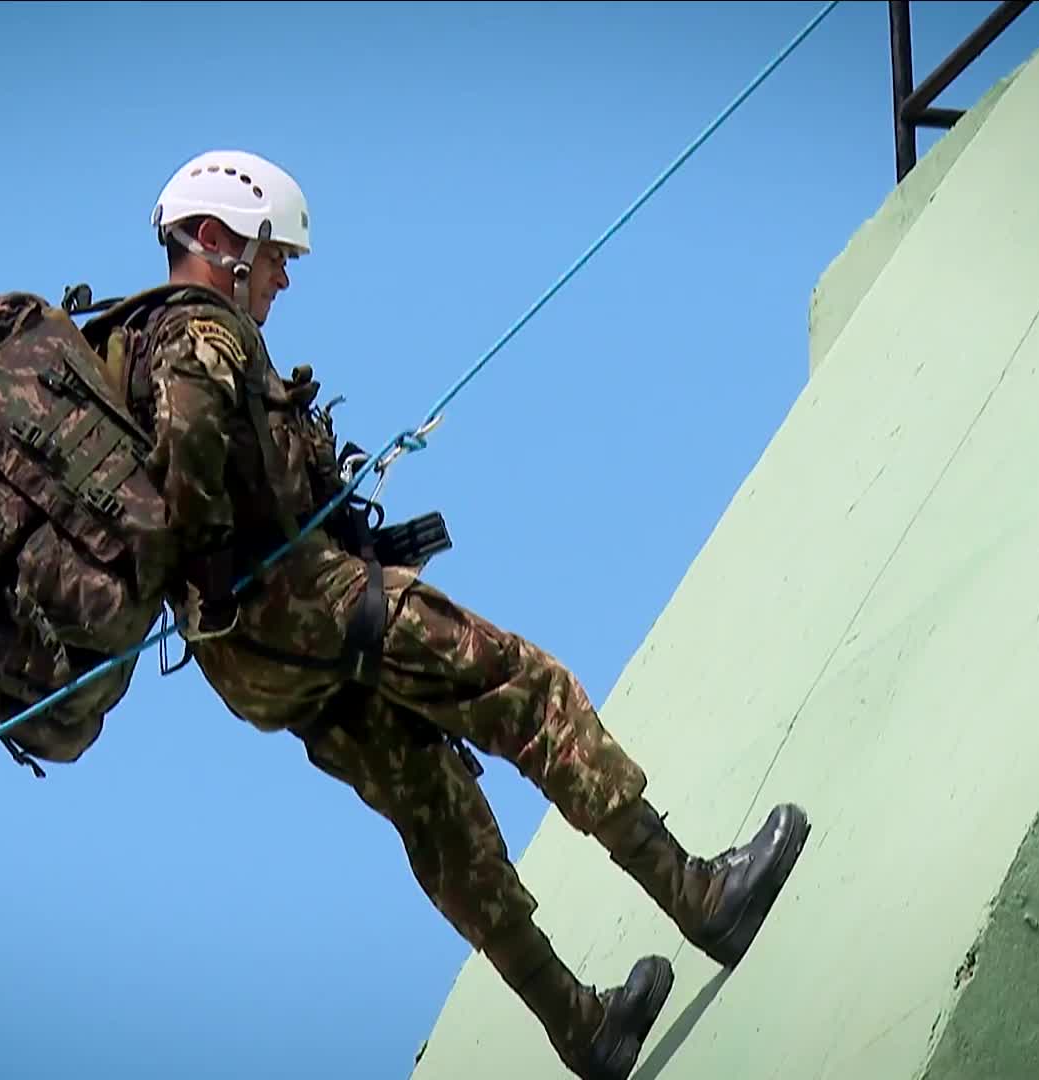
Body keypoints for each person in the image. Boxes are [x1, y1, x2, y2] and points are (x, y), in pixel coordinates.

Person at [131, 149, 812, 1079]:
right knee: (523, 690)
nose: (284, 277)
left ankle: (584, 1026)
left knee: (433, 806)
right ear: (216, 239)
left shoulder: (129, 349)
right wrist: (228, 558)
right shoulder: (198, 335)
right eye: (273, 254)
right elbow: (195, 437)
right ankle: (701, 896)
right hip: (299, 605)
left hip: (248, 664)